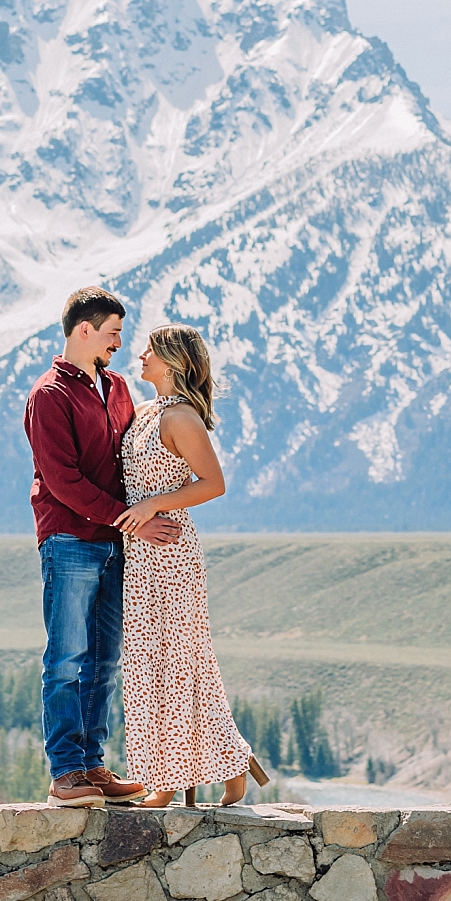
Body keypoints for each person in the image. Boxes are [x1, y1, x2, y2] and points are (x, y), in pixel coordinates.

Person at [24, 286, 182, 807]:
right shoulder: (50, 395)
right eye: (113, 333)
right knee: (66, 655)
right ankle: (65, 772)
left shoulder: (116, 389)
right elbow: (62, 479)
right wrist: (127, 519)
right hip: (69, 540)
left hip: (116, 542)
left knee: (105, 659)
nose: (119, 343)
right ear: (84, 330)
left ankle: (92, 765)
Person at [114, 323, 267, 807]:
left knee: (179, 661)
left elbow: (213, 483)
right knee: (147, 663)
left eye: (150, 351)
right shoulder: (142, 413)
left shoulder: (181, 418)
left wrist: (153, 506)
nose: (139, 356)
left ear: (172, 361)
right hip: (140, 556)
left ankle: (170, 780)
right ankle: (227, 762)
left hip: (172, 554)